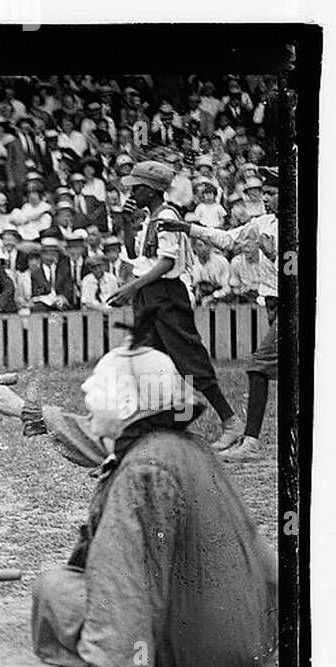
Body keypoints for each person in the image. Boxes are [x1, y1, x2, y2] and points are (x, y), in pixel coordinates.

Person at [0, 308, 277, 667]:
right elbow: (98, 434)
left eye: (98, 394)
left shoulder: (142, 471)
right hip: (246, 636)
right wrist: (26, 410)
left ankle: (130, 659)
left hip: (193, 652)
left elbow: (124, 571)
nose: (89, 400)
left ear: (127, 404)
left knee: (55, 589)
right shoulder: (186, 447)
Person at [106, 159, 241, 450]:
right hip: (149, 294)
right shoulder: (148, 215)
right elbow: (135, 255)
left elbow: (166, 262)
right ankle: (164, 429)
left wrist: (131, 287)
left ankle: (230, 420)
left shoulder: (166, 216)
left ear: (152, 190)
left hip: (165, 293)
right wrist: (127, 224)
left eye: (137, 188)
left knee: (187, 358)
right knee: (151, 362)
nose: (131, 194)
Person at [159, 179, 280, 462]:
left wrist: (273, 254)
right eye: (266, 192)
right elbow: (228, 239)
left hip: (294, 305)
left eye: (273, 193)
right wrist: (188, 228)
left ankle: (250, 442)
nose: (267, 197)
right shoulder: (261, 223)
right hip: (272, 302)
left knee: (258, 366)